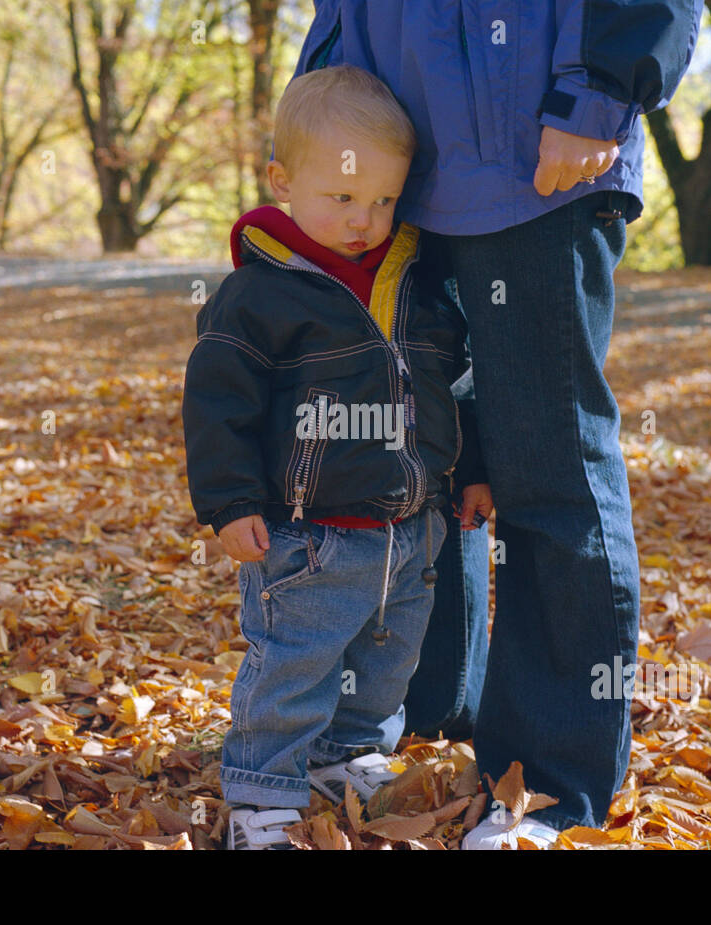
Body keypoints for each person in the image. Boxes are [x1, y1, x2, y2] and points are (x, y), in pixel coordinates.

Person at [292, 1, 704, 848]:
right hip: (394, 163)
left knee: (549, 467)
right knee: (427, 465)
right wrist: (319, 108)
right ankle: (431, 711)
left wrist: (599, 91)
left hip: (538, 156)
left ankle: (548, 783)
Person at [181, 65, 494, 849]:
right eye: (344, 197)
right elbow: (219, 406)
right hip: (307, 535)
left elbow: (454, 387)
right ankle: (261, 791)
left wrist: (473, 468)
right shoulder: (260, 296)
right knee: (295, 662)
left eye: (385, 200)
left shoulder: (418, 285)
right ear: (284, 182)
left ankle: (345, 753)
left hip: (408, 530)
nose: (365, 219)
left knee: (387, 660)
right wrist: (229, 503)